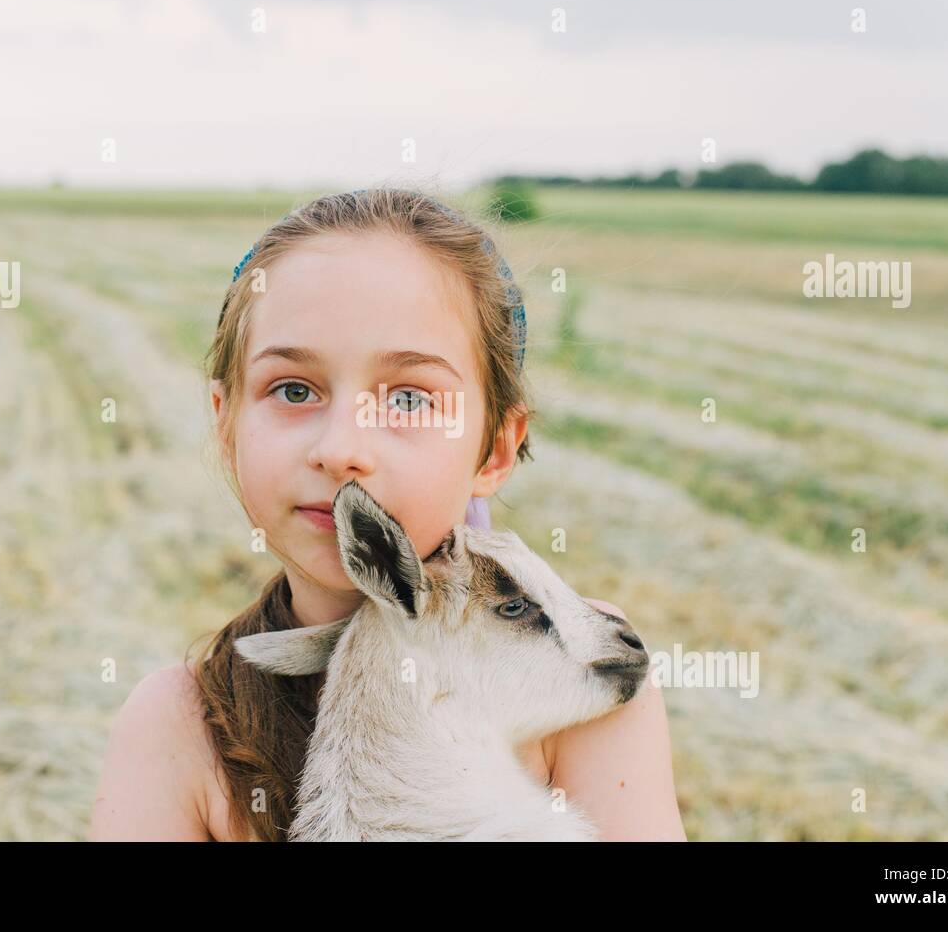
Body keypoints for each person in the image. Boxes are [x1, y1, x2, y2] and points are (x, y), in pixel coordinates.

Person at [89, 187, 686, 841]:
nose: (342, 448)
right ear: (226, 425)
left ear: (495, 447)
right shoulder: (175, 725)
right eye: (294, 389)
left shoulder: (584, 662)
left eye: (407, 397)